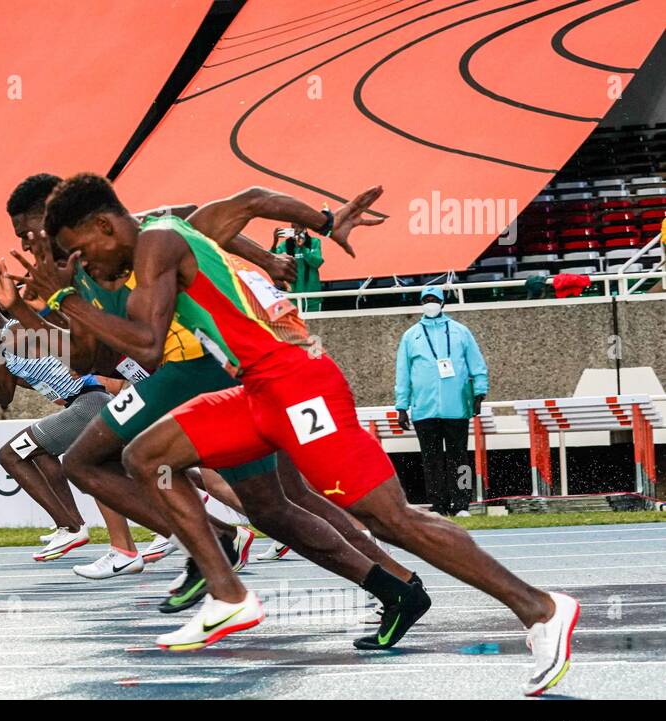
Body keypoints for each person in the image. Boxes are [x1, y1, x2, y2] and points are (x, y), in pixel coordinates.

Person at [35, 174, 575, 695]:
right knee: (147, 455)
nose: (79, 263)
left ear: (104, 226)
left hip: (296, 385)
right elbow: (253, 198)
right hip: (257, 394)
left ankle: (540, 608)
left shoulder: (157, 240)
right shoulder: (177, 229)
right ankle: (228, 595)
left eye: (77, 249)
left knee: (388, 518)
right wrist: (324, 219)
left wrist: (66, 300)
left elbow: (147, 346)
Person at [21, 176, 424, 635]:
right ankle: (396, 587)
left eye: (27, 231)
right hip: (193, 377)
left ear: (57, 224)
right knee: (274, 509)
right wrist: (30, 309)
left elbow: (228, 211)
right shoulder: (78, 273)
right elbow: (97, 358)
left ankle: (214, 543)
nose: (24, 243)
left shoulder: (146, 238)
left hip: (198, 371)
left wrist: (278, 251)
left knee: (91, 460)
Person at [0, 296, 134, 568]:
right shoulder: (6, 352)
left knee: (10, 455)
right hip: (81, 404)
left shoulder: (19, 331)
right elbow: (3, 396)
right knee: (50, 456)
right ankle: (80, 528)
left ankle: (71, 527)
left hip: (90, 401)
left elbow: (58, 335)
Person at [395, 285, 489, 517]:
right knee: (431, 458)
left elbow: (477, 365)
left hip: (456, 406)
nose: (430, 303)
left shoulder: (460, 331)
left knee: (460, 457)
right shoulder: (411, 335)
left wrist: (479, 393)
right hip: (424, 409)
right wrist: (401, 406)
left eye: (434, 299)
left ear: (443, 303)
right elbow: (403, 373)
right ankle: (438, 504)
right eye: (426, 300)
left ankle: (462, 504)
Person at [272, 223, 324, 312]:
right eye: (293, 227)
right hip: (292, 297)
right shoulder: (284, 245)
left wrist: (303, 248)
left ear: (305, 228)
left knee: (314, 324)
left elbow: (317, 263)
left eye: (299, 226)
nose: (296, 230)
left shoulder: (314, 242)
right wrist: (275, 242)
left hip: (312, 297)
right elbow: (272, 262)